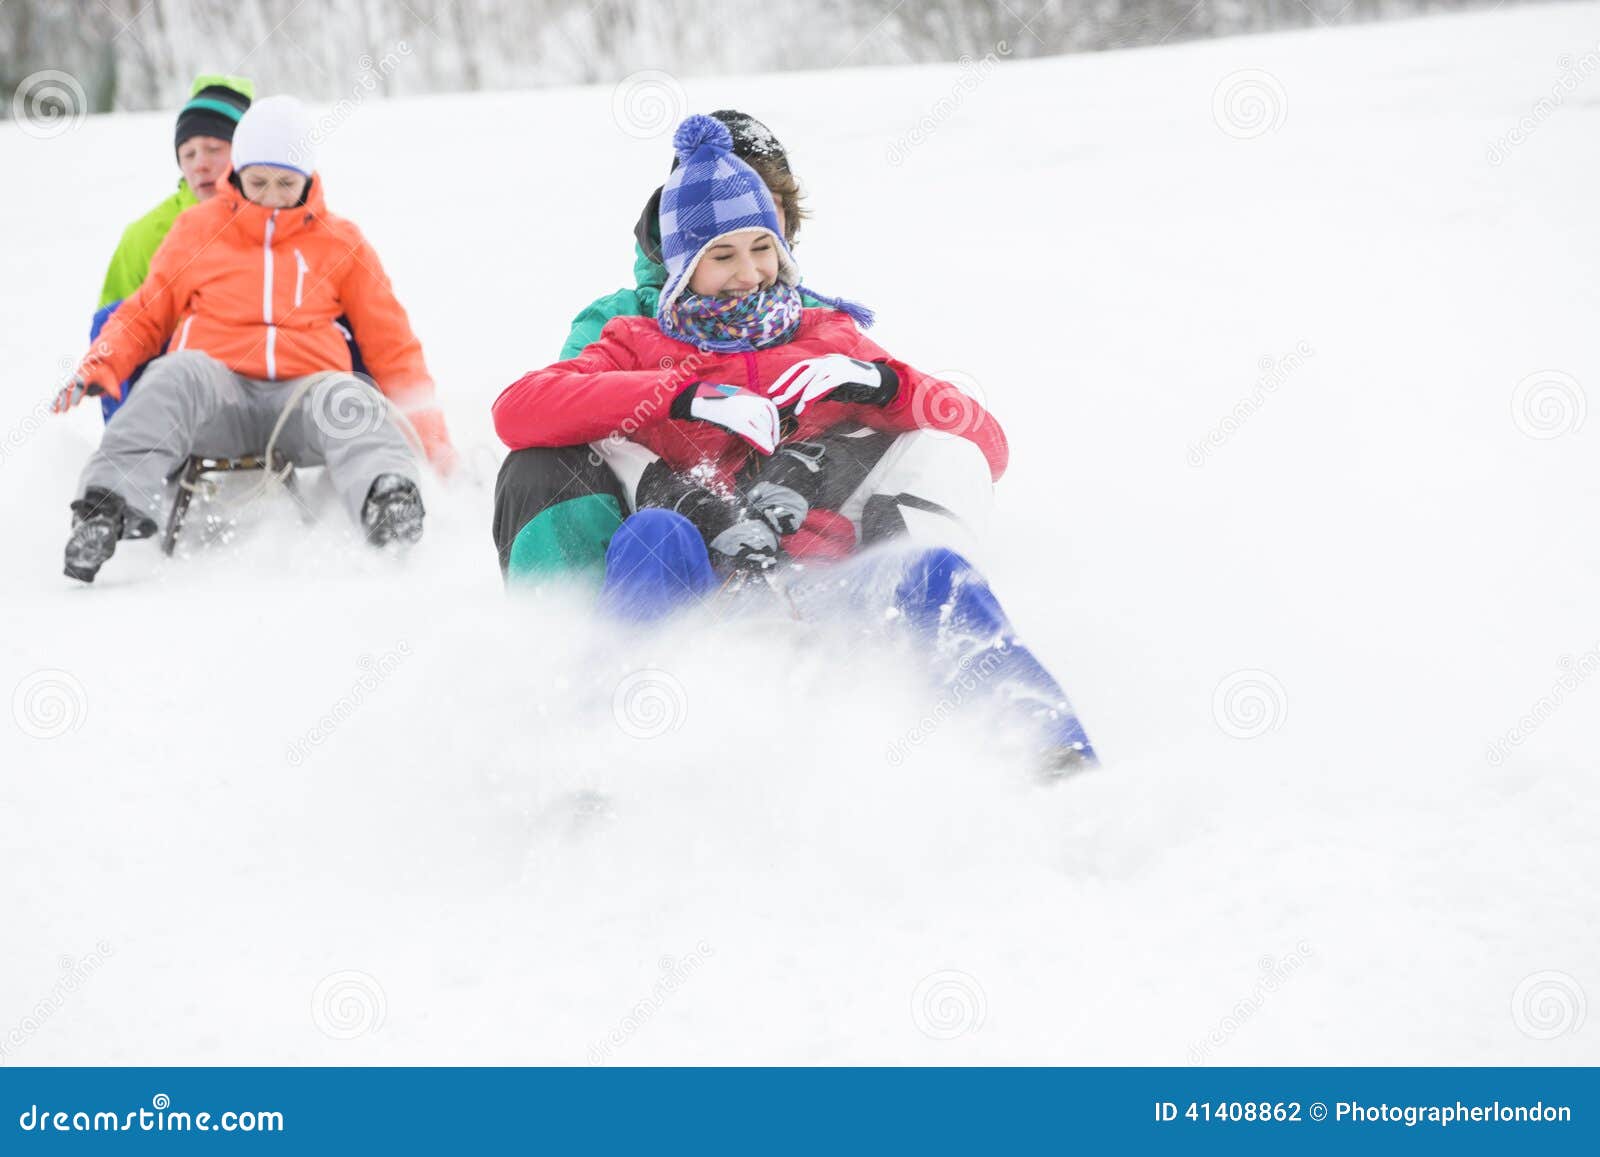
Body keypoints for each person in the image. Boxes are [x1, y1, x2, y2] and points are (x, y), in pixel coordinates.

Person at [493, 115, 1092, 768]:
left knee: (933, 574)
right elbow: (521, 410)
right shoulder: (634, 340)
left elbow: (987, 446)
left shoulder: (825, 331)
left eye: (762, 246)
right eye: (720, 256)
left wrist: (883, 383)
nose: (748, 272)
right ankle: (592, 762)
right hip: (707, 588)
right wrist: (677, 394)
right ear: (680, 263)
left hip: (822, 586)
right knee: (652, 539)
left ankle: (1048, 757)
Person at [52, 95, 456, 582]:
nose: (270, 196)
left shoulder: (340, 240)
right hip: (216, 395)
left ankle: (388, 498)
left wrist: (434, 441)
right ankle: (104, 509)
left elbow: (393, 347)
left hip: (303, 402)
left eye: (286, 184)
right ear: (236, 174)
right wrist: (100, 364)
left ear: (308, 179)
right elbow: (144, 314)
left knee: (347, 393)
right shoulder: (197, 229)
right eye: (257, 182)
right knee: (173, 374)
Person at [93, 74, 255, 422]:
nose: (201, 163)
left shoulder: (276, 219)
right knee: (111, 320)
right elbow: (115, 319)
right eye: (189, 153)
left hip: (258, 364)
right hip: (176, 372)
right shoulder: (148, 233)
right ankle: (132, 448)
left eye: (215, 149)